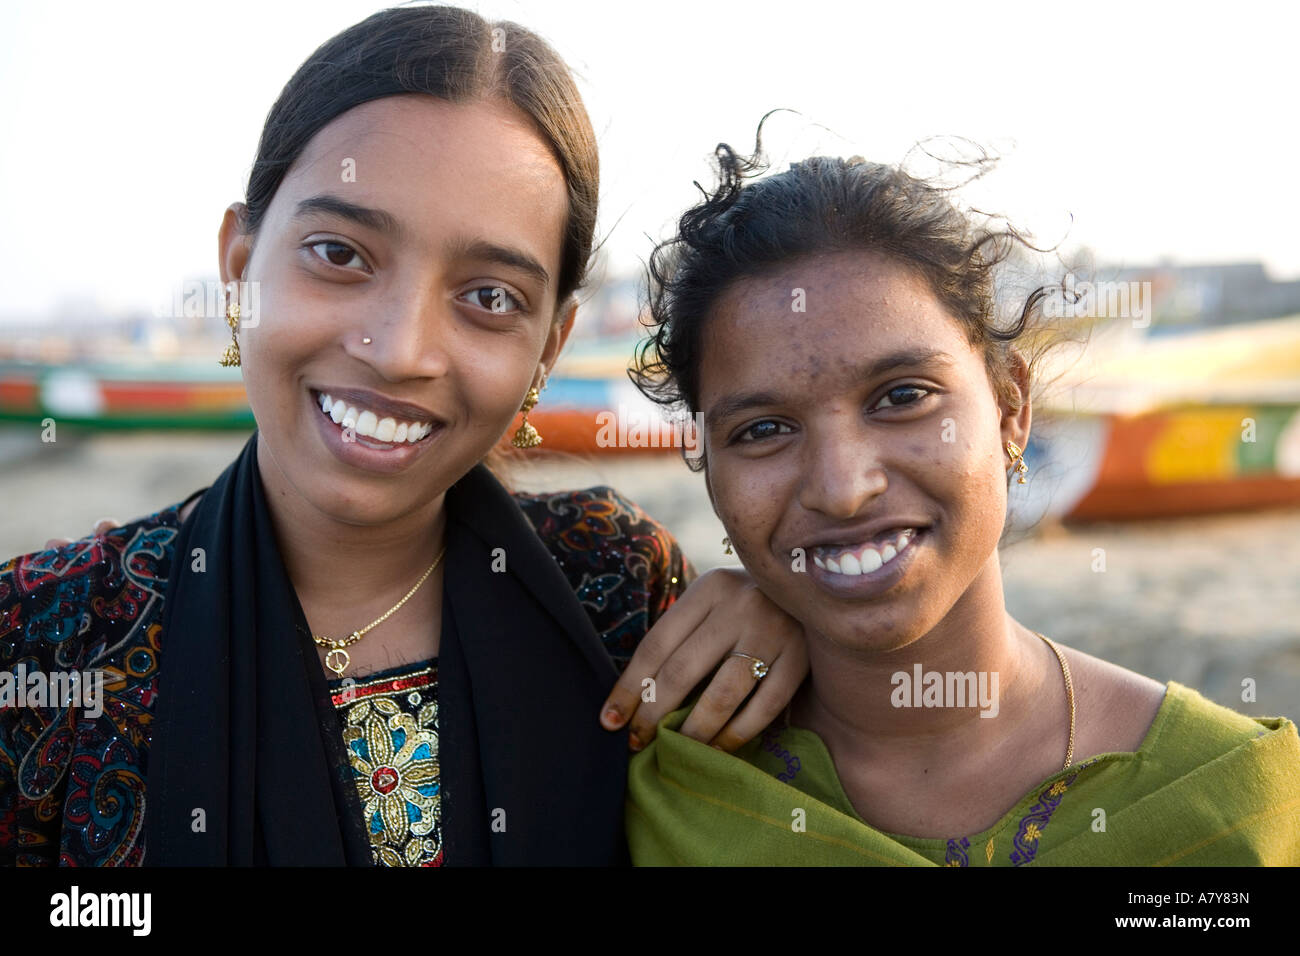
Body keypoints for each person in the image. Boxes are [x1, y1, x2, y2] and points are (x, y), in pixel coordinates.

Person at [0, 7, 806, 867]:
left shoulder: (619, 588)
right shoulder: (44, 638)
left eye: (489, 297)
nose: (401, 351)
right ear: (238, 269)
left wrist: (807, 626)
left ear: (550, 348)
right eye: (340, 254)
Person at [624, 133, 1300, 865]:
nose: (843, 490)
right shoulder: (664, 781)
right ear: (710, 467)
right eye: (762, 430)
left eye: (903, 397)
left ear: (1011, 405)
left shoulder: (1224, 805)